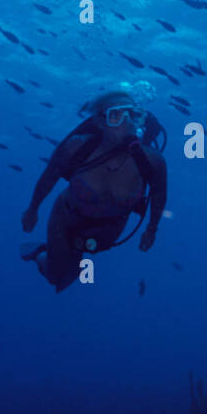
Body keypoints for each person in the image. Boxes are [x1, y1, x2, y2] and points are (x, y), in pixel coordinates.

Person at [20, 90, 167, 293]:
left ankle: (71, 257)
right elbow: (50, 175)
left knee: (77, 261)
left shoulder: (152, 161)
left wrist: (152, 230)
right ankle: (40, 254)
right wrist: (33, 209)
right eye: (116, 116)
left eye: (132, 115)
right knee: (55, 277)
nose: (126, 123)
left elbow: (159, 195)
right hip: (66, 217)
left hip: (109, 230)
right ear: (100, 122)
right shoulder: (77, 146)